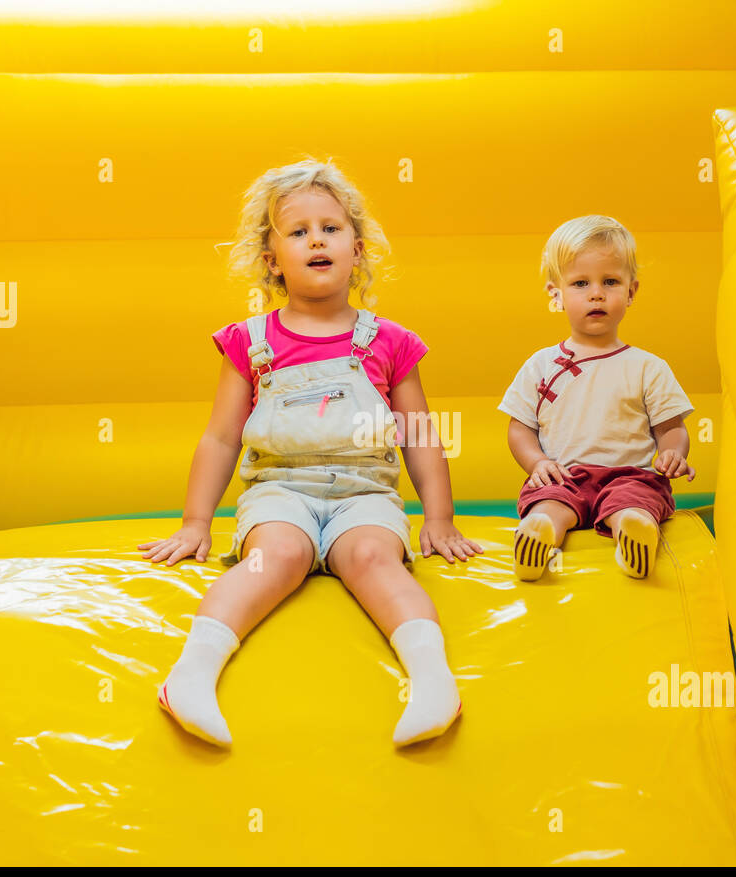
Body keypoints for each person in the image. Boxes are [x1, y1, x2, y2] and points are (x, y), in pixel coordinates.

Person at [139, 158, 482, 748]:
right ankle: (191, 675)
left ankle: (433, 680)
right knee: (279, 553)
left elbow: (419, 431)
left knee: (375, 556)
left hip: (363, 494)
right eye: (297, 232)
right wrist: (197, 522)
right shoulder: (251, 342)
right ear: (272, 260)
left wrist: (439, 519)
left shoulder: (389, 341)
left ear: (358, 247)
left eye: (331, 227)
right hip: (279, 490)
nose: (316, 239)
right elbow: (221, 436)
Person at [498, 215, 695, 582]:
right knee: (551, 502)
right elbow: (520, 428)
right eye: (580, 283)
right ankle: (541, 531)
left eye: (610, 282)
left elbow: (671, 428)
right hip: (566, 474)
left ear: (631, 292)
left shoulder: (647, 367)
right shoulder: (540, 364)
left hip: (630, 475)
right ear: (555, 295)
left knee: (633, 501)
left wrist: (672, 452)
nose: (596, 293)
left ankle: (633, 529)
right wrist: (537, 463)